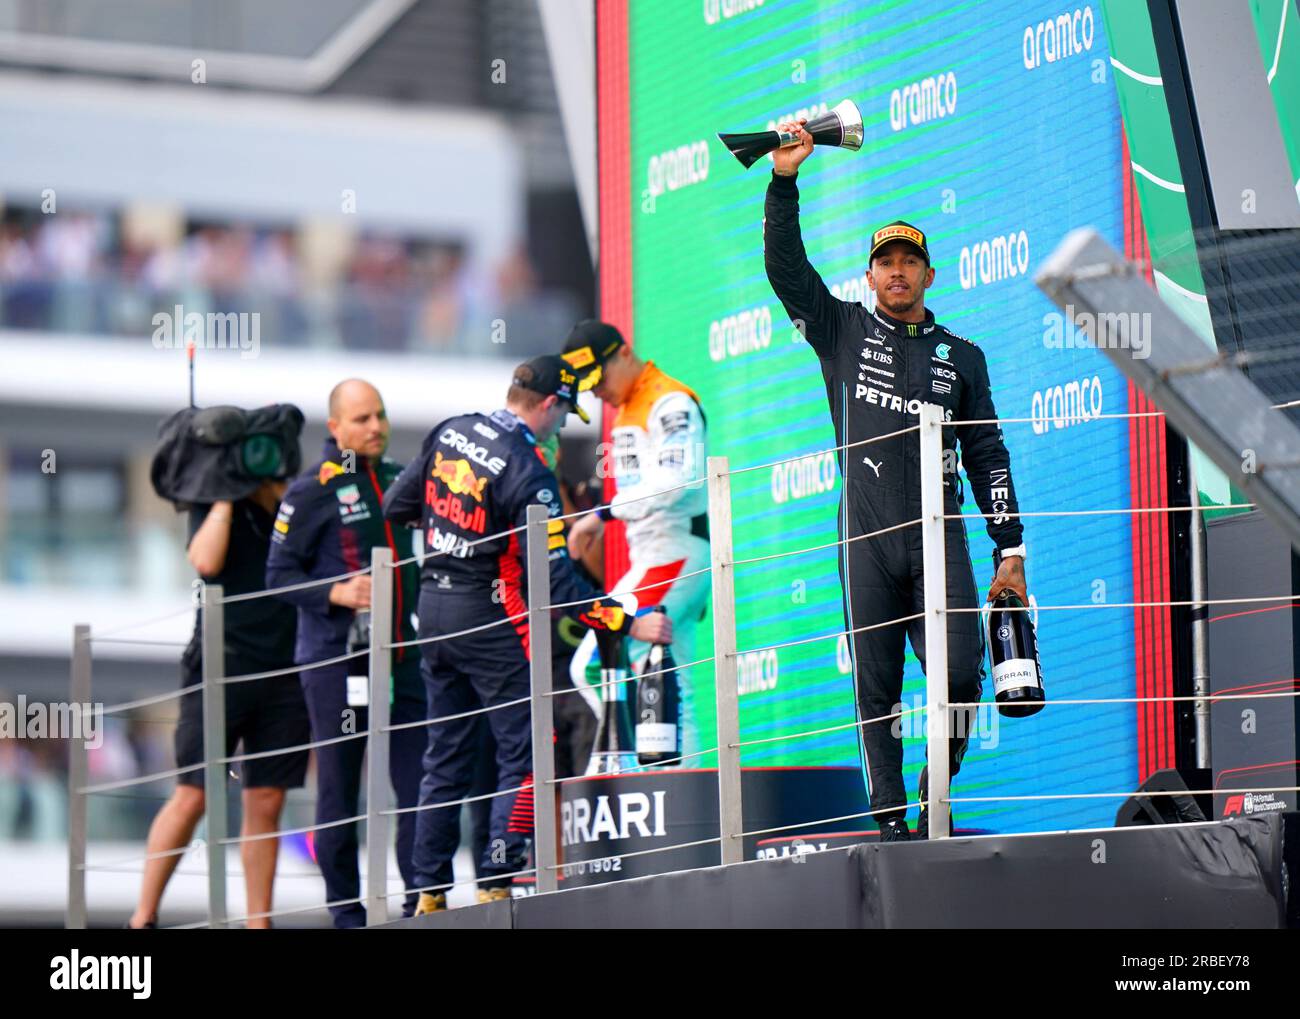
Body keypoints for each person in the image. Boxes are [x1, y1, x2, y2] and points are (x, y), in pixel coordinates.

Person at [763, 119, 1030, 842]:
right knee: (875, 692)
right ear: (870, 276)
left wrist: (1011, 549)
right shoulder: (840, 329)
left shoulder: (963, 356)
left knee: (963, 674)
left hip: (940, 539)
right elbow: (788, 272)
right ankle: (889, 826)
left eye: (910, 261)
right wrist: (784, 181)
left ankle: (933, 792)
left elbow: (989, 456)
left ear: (930, 275)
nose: (898, 272)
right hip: (866, 538)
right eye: (886, 262)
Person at [383, 355, 671, 912]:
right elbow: (557, 585)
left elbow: (399, 507)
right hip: (491, 621)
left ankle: (428, 895)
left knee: (444, 758)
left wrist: (459, 533)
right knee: (528, 751)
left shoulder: (452, 429)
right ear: (546, 404)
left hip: (434, 614)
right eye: (564, 414)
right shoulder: (529, 473)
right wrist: (627, 619)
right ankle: (496, 883)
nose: (563, 427)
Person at [264, 379, 426, 928]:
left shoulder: (403, 478)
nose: (375, 427)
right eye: (361, 419)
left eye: (379, 415)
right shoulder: (311, 489)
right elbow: (277, 576)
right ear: (335, 428)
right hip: (337, 663)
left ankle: (420, 904)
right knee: (339, 789)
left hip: (404, 660)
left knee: (420, 786)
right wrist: (335, 592)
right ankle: (346, 914)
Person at [129, 480, 310, 928]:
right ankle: (142, 917)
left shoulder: (296, 503)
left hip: (284, 670)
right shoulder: (213, 503)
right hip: (216, 667)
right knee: (194, 794)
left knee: (266, 799)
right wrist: (227, 494)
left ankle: (257, 922)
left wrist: (280, 493)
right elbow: (206, 560)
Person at [561, 321, 710, 759]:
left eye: (599, 379)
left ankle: (618, 767)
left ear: (624, 353)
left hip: (675, 552)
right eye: (587, 387)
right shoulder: (626, 406)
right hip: (657, 555)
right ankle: (691, 799)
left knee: (592, 662)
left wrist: (600, 514)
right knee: (673, 680)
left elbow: (678, 482)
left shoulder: (670, 401)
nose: (596, 393)